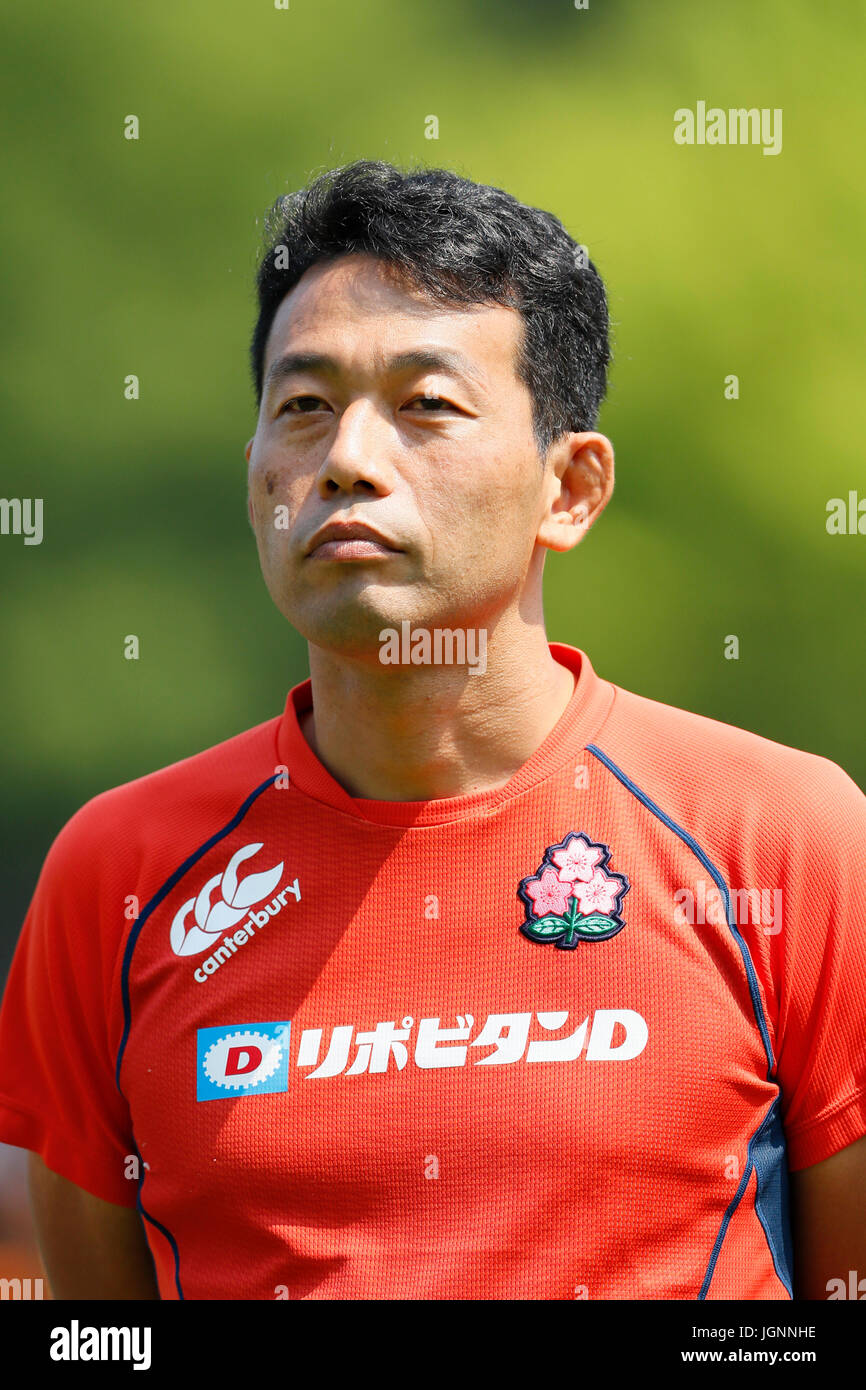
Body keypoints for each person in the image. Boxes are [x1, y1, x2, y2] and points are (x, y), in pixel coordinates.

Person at [0, 160, 863, 1301]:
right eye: (302, 407)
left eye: (425, 407)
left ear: (570, 489)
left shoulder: (783, 839)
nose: (346, 460)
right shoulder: (118, 872)